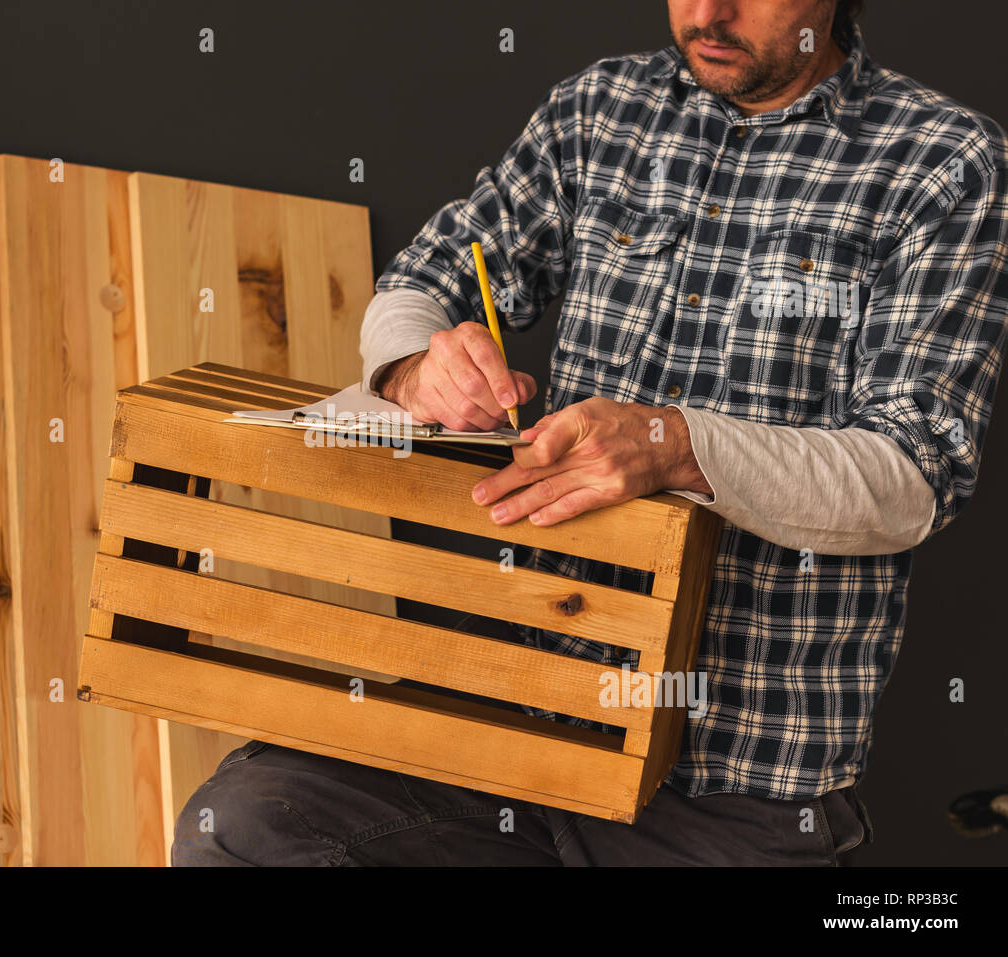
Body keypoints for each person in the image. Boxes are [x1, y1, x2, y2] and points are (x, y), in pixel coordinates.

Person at [171, 0, 1008, 865]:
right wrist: (416, 366)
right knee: (241, 828)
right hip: (503, 719)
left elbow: (914, 473)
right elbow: (423, 281)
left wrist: (674, 445)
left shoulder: (942, 161)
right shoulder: (600, 110)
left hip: (731, 782)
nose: (710, 13)